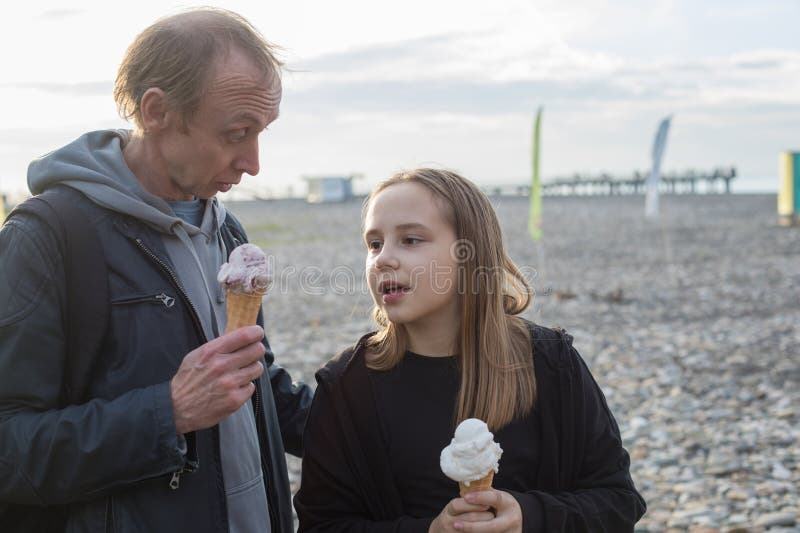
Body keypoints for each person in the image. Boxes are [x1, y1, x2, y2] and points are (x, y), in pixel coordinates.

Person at [0, 8, 312, 533]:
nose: (254, 162)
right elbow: (9, 448)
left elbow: (251, 382)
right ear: (156, 111)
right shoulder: (48, 238)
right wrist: (167, 413)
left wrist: (375, 415)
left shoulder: (227, 231)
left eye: (261, 132)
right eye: (238, 132)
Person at [294, 168, 646, 532]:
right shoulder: (347, 386)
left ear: (469, 255)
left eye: (411, 240)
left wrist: (530, 517)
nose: (383, 259)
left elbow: (618, 501)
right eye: (374, 243)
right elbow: (321, 525)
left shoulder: (550, 363)